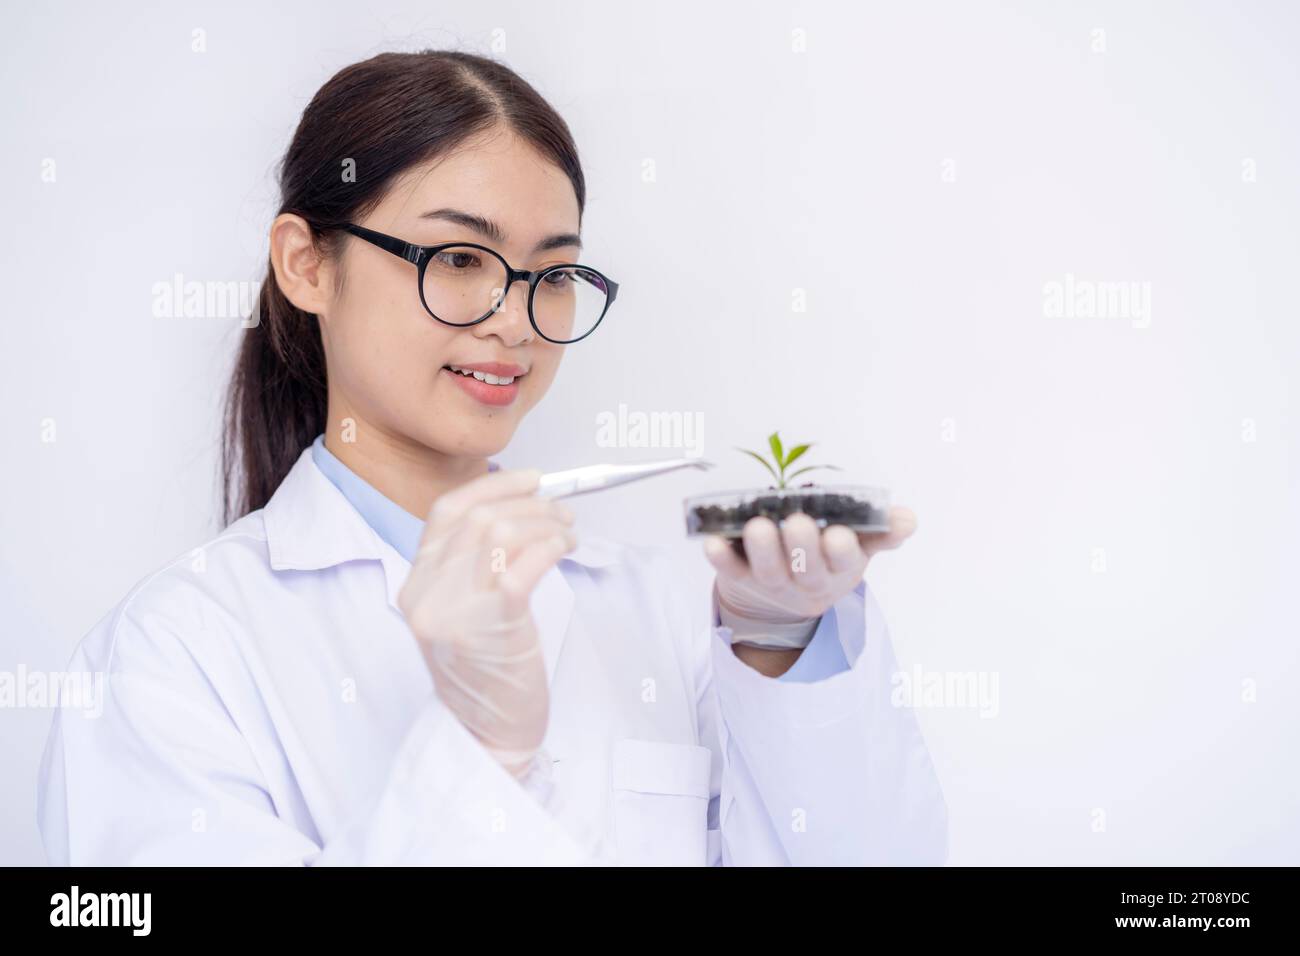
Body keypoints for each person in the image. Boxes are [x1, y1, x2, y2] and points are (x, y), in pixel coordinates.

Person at [37, 49, 946, 865]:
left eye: (552, 274)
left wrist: (783, 651)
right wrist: (474, 752)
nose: (513, 321)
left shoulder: (658, 611)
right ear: (306, 263)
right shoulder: (169, 658)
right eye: (461, 259)